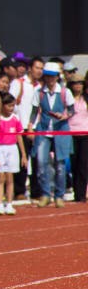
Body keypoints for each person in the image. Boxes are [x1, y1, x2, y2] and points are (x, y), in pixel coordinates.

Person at [30, 61, 74, 209]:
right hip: (43, 129)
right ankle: (45, 194)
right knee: (41, 162)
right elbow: (34, 111)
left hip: (61, 130)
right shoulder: (39, 92)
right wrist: (30, 125)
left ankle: (59, 195)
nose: (50, 79)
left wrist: (64, 116)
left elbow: (72, 110)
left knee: (60, 165)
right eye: (48, 76)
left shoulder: (65, 92)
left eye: (53, 76)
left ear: (57, 77)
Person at [9, 56, 43, 200]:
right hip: (21, 127)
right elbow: (10, 103)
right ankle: (19, 191)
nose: (39, 71)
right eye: (37, 68)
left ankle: (36, 191)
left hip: (36, 127)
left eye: (41, 68)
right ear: (30, 68)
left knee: (37, 160)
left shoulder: (41, 87)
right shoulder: (18, 83)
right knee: (22, 159)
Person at [0, 92, 26, 215]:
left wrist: (23, 155)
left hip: (12, 149)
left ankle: (9, 204)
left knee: (9, 177)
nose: (11, 108)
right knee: (0, 177)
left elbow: (19, 137)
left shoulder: (15, 118)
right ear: (2, 105)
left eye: (13, 106)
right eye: (9, 106)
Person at [67, 74, 88, 203]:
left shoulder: (86, 98)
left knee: (83, 164)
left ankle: (82, 194)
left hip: (85, 133)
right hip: (71, 133)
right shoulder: (67, 98)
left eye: (80, 83)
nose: (78, 85)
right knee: (74, 164)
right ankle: (76, 192)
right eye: (75, 83)